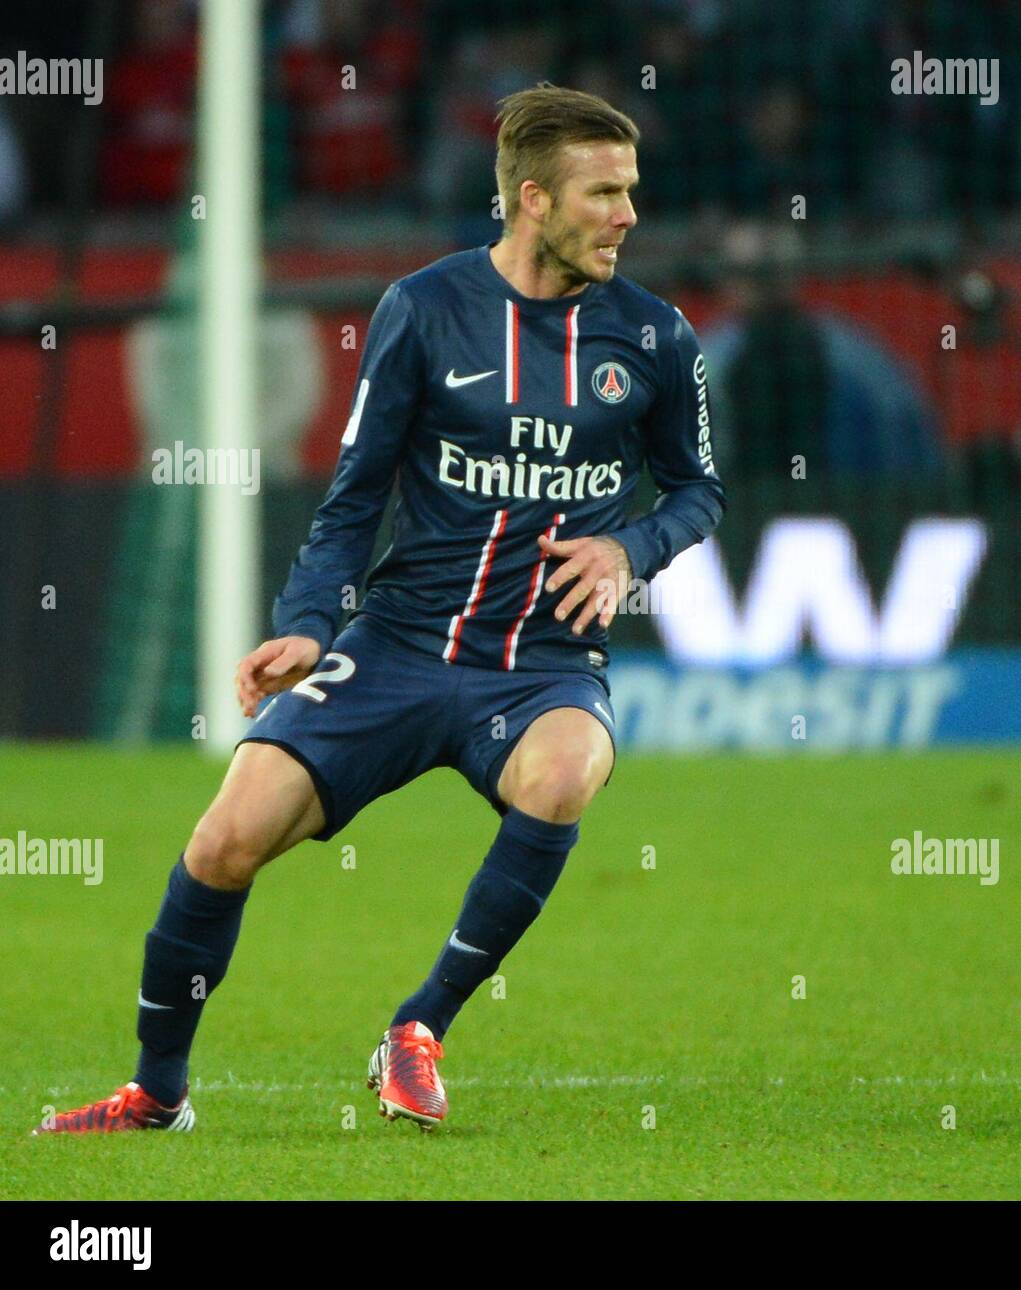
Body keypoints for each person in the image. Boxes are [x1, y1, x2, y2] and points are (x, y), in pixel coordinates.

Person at [35, 82, 725, 1135]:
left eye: (631, 191)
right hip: (398, 642)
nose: (629, 215)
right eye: (605, 193)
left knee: (567, 772)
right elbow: (354, 495)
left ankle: (418, 1028)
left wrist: (631, 546)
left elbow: (697, 491)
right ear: (532, 198)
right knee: (226, 837)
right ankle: (157, 1093)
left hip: (540, 660)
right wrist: (311, 620)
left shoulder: (656, 338)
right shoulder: (424, 309)